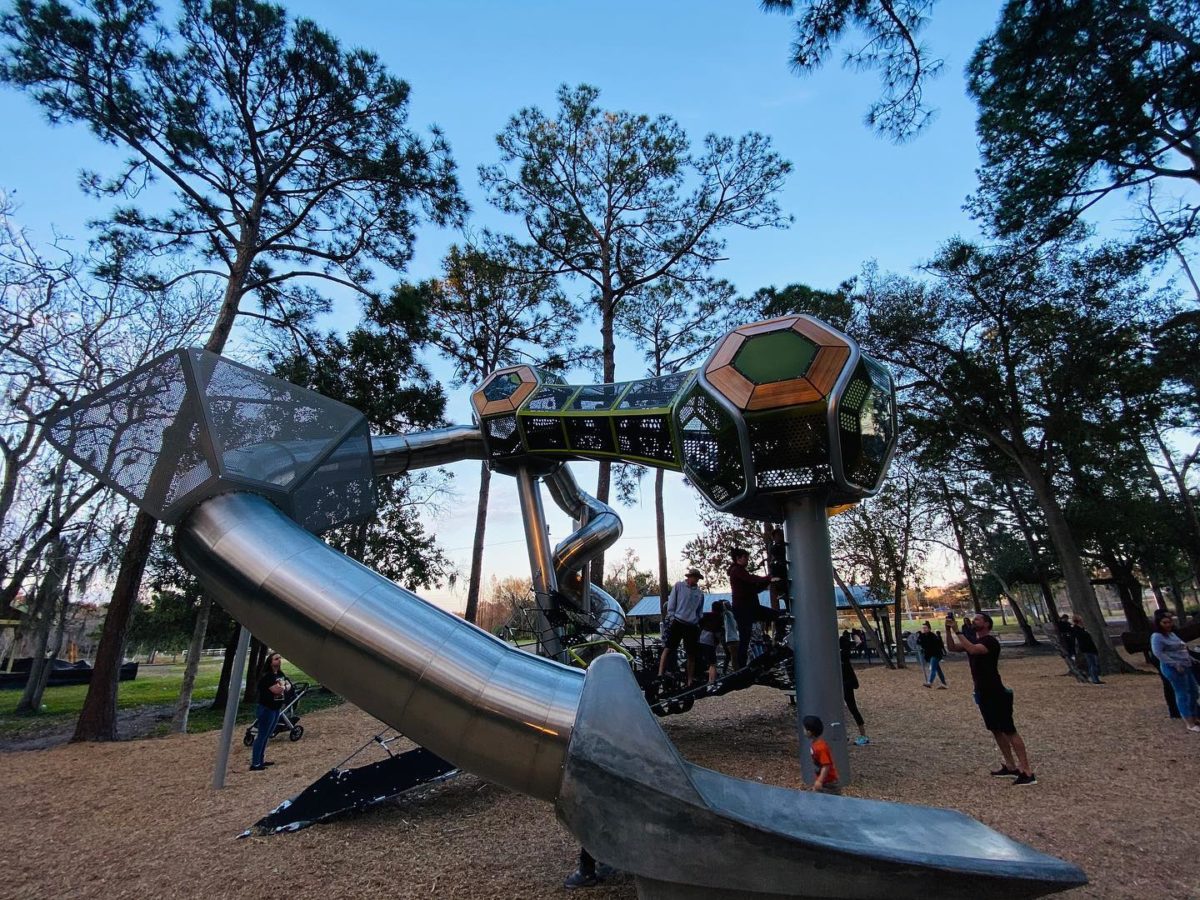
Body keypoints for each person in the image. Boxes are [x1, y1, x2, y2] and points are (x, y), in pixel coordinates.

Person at [945, 612, 1037, 786]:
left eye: (978, 619)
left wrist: (958, 631)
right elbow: (952, 648)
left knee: (1009, 730)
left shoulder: (990, 642)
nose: (973, 621)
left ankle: (1027, 770)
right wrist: (948, 630)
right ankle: (1010, 766)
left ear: (987, 624)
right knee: (995, 729)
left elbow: (973, 650)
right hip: (982, 692)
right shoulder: (974, 640)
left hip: (996, 691)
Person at [726, 547, 782, 669]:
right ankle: (741, 668)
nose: (747, 560)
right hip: (743, 609)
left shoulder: (740, 572)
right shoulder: (737, 570)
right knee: (745, 638)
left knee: (777, 616)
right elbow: (752, 579)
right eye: (745, 557)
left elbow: (754, 588)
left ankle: (777, 642)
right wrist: (768, 578)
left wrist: (767, 581)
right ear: (738, 559)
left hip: (751, 608)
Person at [1149, 612, 1200, 733]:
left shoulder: (1171, 634)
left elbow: (1181, 648)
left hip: (1186, 665)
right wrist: (1175, 664)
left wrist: (1191, 659)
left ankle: (1194, 716)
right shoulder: (1157, 636)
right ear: (1159, 623)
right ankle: (1189, 723)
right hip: (1174, 669)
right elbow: (1158, 653)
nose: (1168, 625)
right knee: (1183, 694)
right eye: (1164, 623)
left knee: (1193, 692)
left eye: (1169, 622)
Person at [657, 568, 704, 685]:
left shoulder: (699, 593)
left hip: (691, 625)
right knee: (668, 648)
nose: (696, 580)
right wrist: (672, 617)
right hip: (678, 621)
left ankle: (690, 680)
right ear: (689, 577)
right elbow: (671, 603)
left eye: (698, 578)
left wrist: (697, 620)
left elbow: (699, 610)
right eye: (695, 577)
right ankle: (660, 674)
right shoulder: (679, 586)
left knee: (691, 653)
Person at [250, 651, 290, 772]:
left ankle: (261, 759)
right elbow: (276, 690)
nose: (279, 660)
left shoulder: (280, 674)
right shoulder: (267, 676)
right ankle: (255, 763)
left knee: (267, 735)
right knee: (262, 735)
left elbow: (289, 685)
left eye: (279, 658)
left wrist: (284, 687)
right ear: (270, 662)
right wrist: (283, 687)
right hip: (267, 708)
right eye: (276, 659)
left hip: (276, 708)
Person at [802, 715, 840, 793]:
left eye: (804, 729)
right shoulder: (815, 744)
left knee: (830, 801)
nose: (803, 730)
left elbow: (826, 765)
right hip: (825, 781)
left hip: (829, 783)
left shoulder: (820, 747)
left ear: (809, 732)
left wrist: (819, 780)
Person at [841, 645, 869, 745]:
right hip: (841, 688)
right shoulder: (840, 664)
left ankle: (863, 736)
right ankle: (842, 734)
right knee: (840, 711)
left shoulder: (845, 665)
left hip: (846, 688)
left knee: (853, 709)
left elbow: (855, 683)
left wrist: (844, 685)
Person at [696, 602, 725, 689]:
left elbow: (699, 623)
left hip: (701, 638)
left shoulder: (706, 615)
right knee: (713, 663)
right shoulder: (719, 618)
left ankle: (704, 679)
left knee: (705, 661)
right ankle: (711, 682)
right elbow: (718, 633)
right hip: (710, 640)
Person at [1070, 615, 1103, 684]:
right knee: (1092, 663)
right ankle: (1095, 679)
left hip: (1089, 647)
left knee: (1092, 663)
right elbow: (1082, 639)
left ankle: (1095, 678)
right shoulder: (1077, 630)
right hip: (1087, 648)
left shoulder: (1081, 629)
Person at [917, 621, 947, 688]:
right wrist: (919, 637)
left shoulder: (932, 636)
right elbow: (919, 643)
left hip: (935, 654)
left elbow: (930, 645)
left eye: (925, 628)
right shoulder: (923, 636)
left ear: (929, 629)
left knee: (932, 668)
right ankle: (944, 684)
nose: (924, 629)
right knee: (938, 669)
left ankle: (930, 682)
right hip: (930, 655)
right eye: (923, 628)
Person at [767, 526, 790, 611]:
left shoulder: (783, 546)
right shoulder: (775, 547)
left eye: (779, 535)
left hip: (784, 571)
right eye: (776, 536)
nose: (778, 538)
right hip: (780, 575)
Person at [721, 600, 740, 673]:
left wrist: (723, 604)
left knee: (733, 657)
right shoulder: (733, 616)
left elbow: (724, 610)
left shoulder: (728, 614)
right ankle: (738, 670)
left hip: (731, 639)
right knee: (735, 657)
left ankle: (736, 672)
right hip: (736, 639)